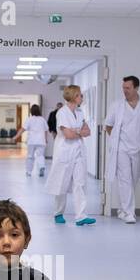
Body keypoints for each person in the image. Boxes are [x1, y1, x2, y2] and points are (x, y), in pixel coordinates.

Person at [104, 75, 140, 223]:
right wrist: (115, 141)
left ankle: (123, 209)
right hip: (122, 149)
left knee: (133, 180)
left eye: (128, 88)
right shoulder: (116, 105)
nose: (125, 91)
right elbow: (108, 125)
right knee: (125, 180)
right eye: (123, 88)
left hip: (138, 148)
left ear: (136, 88)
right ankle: (129, 213)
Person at [45, 86, 95, 226]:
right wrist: (78, 131)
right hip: (64, 152)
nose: (82, 98)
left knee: (80, 183)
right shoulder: (62, 113)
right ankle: (58, 213)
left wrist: (76, 131)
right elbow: (67, 135)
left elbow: (88, 131)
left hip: (78, 152)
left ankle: (81, 216)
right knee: (61, 182)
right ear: (73, 96)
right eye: (79, 95)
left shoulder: (79, 112)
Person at [14, 104, 48, 177]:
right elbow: (45, 131)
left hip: (32, 141)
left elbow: (23, 129)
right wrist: (46, 140)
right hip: (41, 141)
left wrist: (16, 136)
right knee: (40, 155)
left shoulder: (29, 119)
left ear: (31, 111)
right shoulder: (42, 119)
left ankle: (29, 172)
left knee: (30, 156)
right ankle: (42, 166)